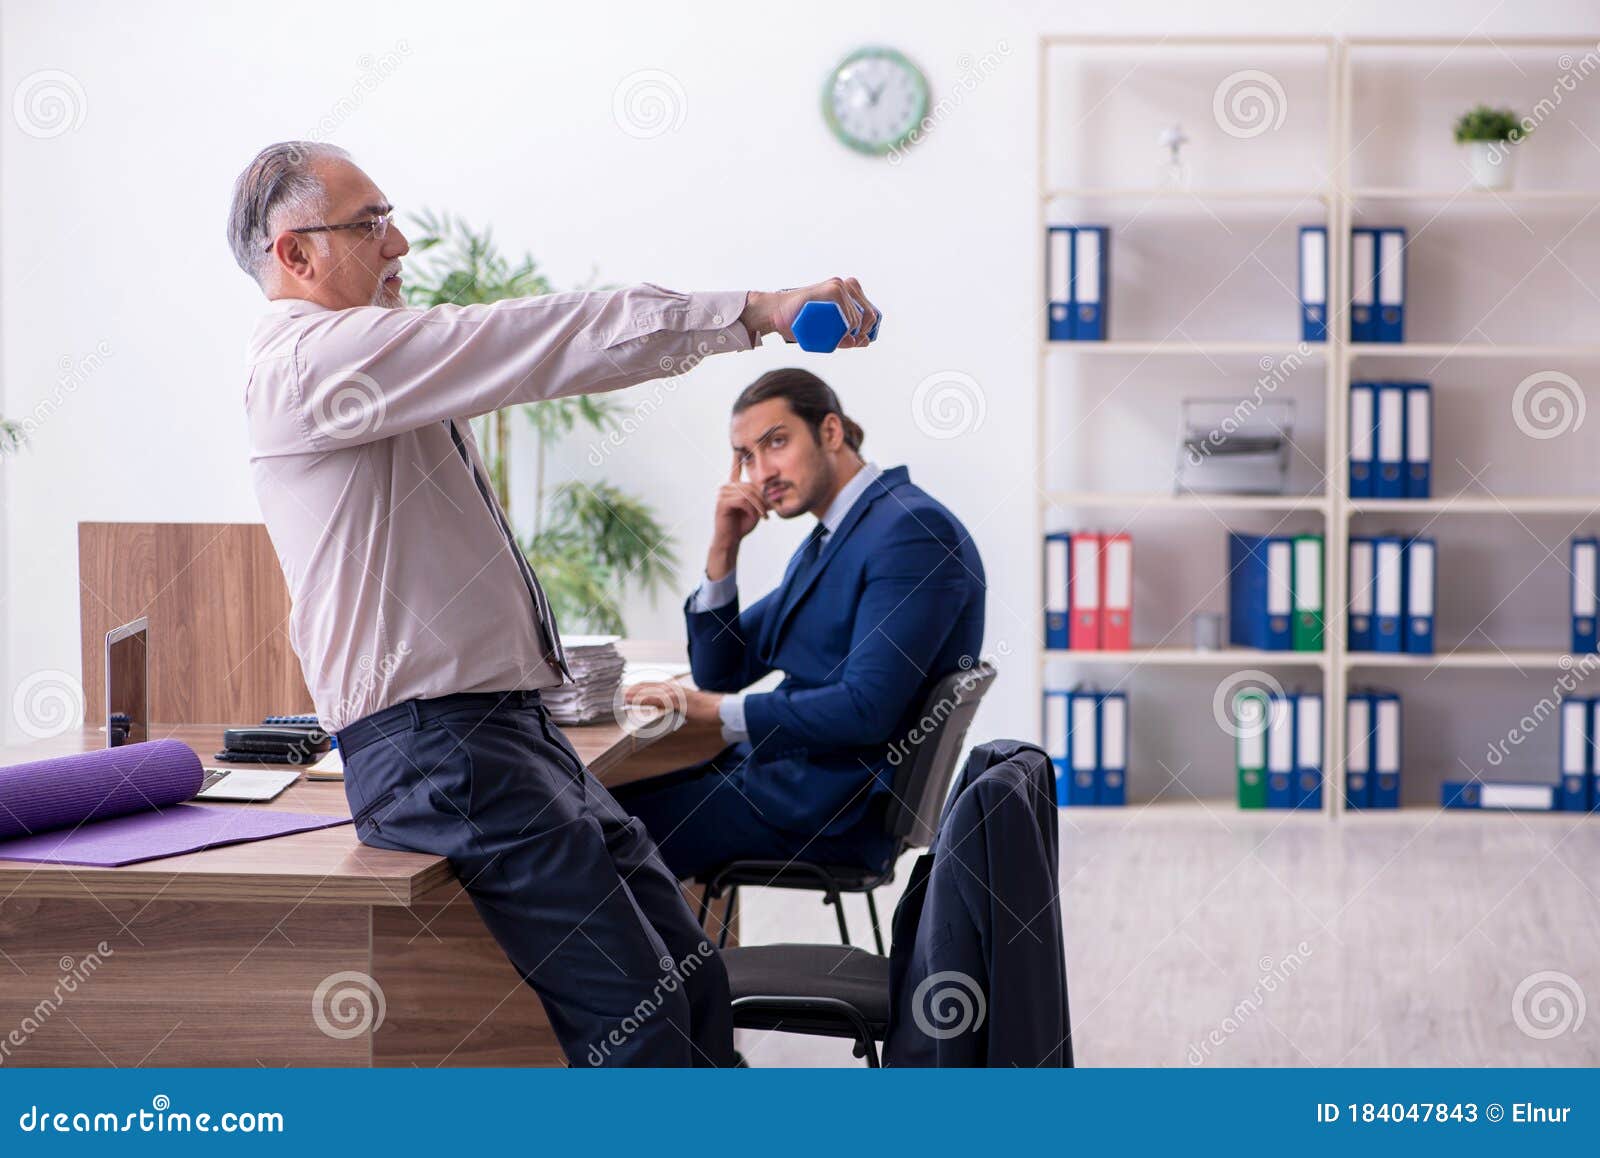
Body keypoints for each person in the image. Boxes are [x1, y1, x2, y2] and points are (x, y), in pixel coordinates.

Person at [227, 140, 879, 1067]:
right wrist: (756, 312)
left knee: (693, 981)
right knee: (640, 1036)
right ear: (295, 254)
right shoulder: (312, 367)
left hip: (501, 732)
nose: (399, 242)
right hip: (435, 746)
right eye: (370, 224)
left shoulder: (370, 370)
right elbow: (542, 336)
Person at [619, 369, 985, 882]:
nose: (761, 471)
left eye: (777, 442)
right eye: (746, 456)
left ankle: (647, 962)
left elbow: (866, 710)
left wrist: (713, 712)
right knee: (600, 804)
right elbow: (721, 670)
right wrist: (723, 549)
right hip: (791, 780)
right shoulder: (834, 537)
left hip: (829, 810)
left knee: (601, 834)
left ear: (830, 432)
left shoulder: (910, 531)